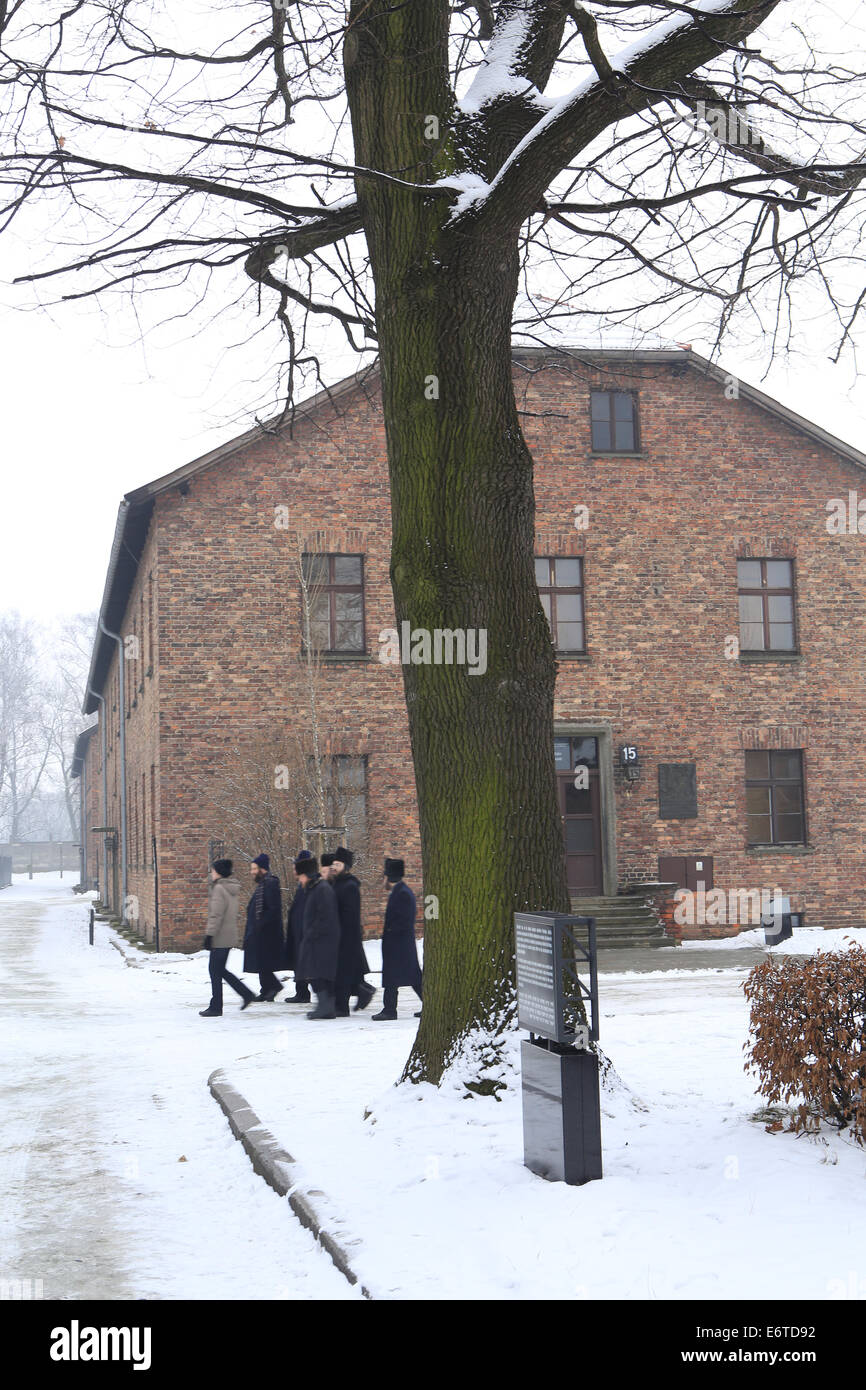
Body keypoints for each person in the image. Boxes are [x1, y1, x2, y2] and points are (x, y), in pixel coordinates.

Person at [200, 859, 256, 1016]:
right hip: (228, 934)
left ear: (218, 872)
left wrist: (209, 935)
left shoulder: (219, 889)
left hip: (219, 936)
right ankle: (245, 994)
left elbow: (216, 915)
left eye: (212, 870)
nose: (211, 873)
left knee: (215, 970)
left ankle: (217, 1007)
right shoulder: (231, 887)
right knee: (219, 970)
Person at [324, 848, 375, 1016]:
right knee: (343, 973)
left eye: (337, 865)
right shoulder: (337, 882)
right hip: (337, 936)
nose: (334, 867)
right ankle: (360, 994)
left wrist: (342, 934)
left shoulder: (350, 885)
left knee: (343, 974)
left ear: (346, 867)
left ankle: (342, 1007)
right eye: (333, 864)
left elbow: (350, 915)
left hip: (346, 937)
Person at [373, 858, 423, 1021]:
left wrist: (391, 932)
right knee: (405, 978)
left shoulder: (402, 893)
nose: (384, 880)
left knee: (402, 978)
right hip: (398, 945)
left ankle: (389, 1010)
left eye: (386, 876)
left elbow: (404, 920)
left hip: (399, 945)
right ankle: (389, 1009)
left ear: (391, 877)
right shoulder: (400, 891)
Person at [295, 854, 340, 1020]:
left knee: (318, 974)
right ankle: (325, 1006)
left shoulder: (321, 889)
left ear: (305, 875)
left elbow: (325, 916)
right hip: (318, 940)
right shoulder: (316, 888)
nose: (299, 880)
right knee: (317, 974)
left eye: (299, 876)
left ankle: (325, 1007)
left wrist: (312, 933)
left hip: (322, 941)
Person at [243, 853, 285, 1002]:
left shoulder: (270, 883)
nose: (252, 872)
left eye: (254, 868)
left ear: (262, 869)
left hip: (267, 932)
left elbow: (273, 909)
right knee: (261, 962)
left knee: (263, 961)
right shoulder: (263, 884)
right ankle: (267, 989)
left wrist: (260, 925)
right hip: (261, 930)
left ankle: (273, 987)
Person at [283, 848, 313, 1004]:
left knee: (308, 966)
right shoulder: (301, 885)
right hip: (298, 931)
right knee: (299, 964)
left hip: (305, 932)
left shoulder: (311, 885)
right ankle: (301, 992)